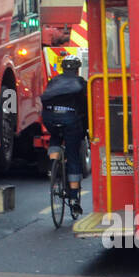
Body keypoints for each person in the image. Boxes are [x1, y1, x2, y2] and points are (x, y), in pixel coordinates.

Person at [41, 55, 88, 209]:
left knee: (55, 134)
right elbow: (84, 108)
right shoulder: (81, 83)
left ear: (63, 68)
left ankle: (53, 165)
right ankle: (74, 198)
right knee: (73, 156)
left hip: (49, 118)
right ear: (77, 69)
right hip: (70, 119)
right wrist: (85, 128)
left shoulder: (53, 82)